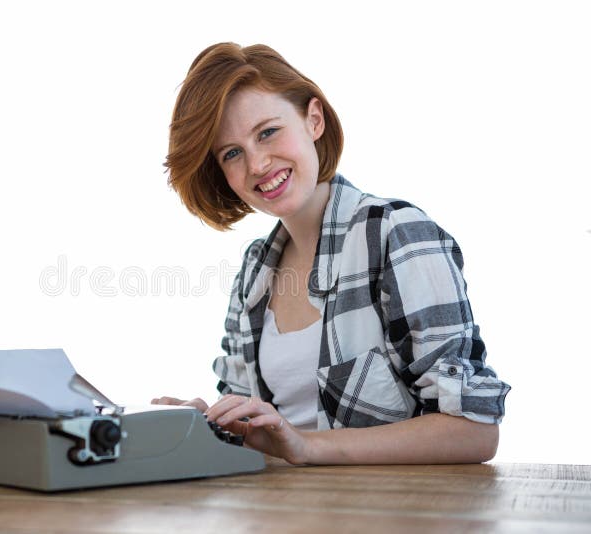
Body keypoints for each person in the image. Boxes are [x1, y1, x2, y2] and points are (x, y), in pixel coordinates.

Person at [152, 42, 510, 465]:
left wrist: (307, 446)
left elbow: (474, 431)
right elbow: (262, 438)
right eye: (232, 153)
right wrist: (209, 426)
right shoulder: (254, 273)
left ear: (314, 120)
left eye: (267, 132)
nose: (257, 164)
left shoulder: (394, 233)